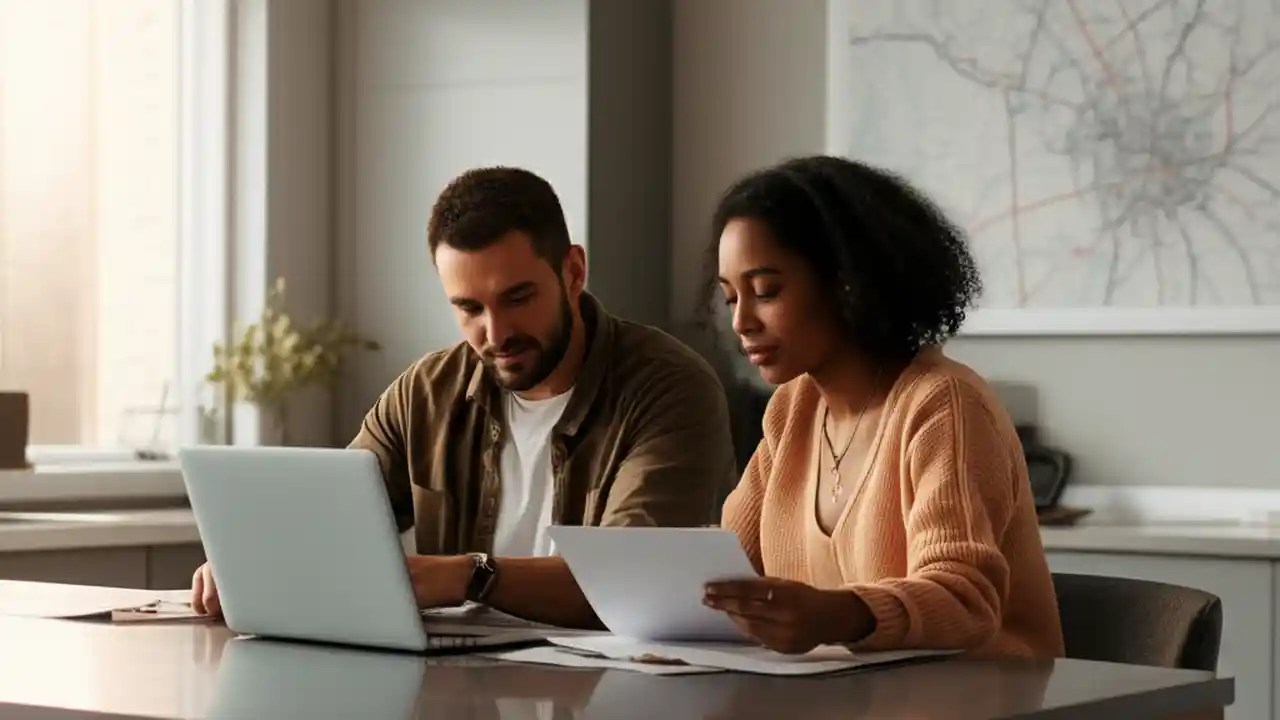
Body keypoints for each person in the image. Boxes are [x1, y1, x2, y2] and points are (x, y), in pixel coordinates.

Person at [193, 166, 736, 628]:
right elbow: (332, 525)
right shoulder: (424, 393)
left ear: (573, 271)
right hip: (459, 689)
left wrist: (468, 575)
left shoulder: (670, 387)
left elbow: (632, 580)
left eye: (517, 298)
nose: (495, 333)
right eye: (469, 308)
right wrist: (253, 561)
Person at [701, 155, 1064, 658]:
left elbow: (963, 599)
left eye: (766, 291)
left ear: (848, 281)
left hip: (992, 701)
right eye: (729, 298)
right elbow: (723, 570)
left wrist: (837, 615)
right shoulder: (792, 411)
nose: (742, 321)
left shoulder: (943, 404)